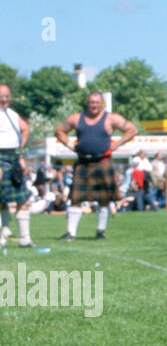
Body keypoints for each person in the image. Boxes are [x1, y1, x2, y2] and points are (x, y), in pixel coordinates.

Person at [54, 91, 136, 241]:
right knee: (76, 199)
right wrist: (71, 146)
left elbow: (132, 130)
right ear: (88, 102)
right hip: (83, 162)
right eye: (92, 102)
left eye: (97, 102)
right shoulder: (77, 118)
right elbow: (59, 130)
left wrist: (116, 144)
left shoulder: (111, 118)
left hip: (103, 161)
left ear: (102, 103)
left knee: (104, 199)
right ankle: (70, 233)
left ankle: (100, 232)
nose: (94, 105)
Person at [0, 84, 35, 248]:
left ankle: (25, 239)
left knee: (23, 199)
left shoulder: (13, 114)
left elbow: (25, 129)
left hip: (13, 156)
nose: (4, 99)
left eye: (6, 96)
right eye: (1, 96)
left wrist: (20, 148)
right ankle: (2, 236)